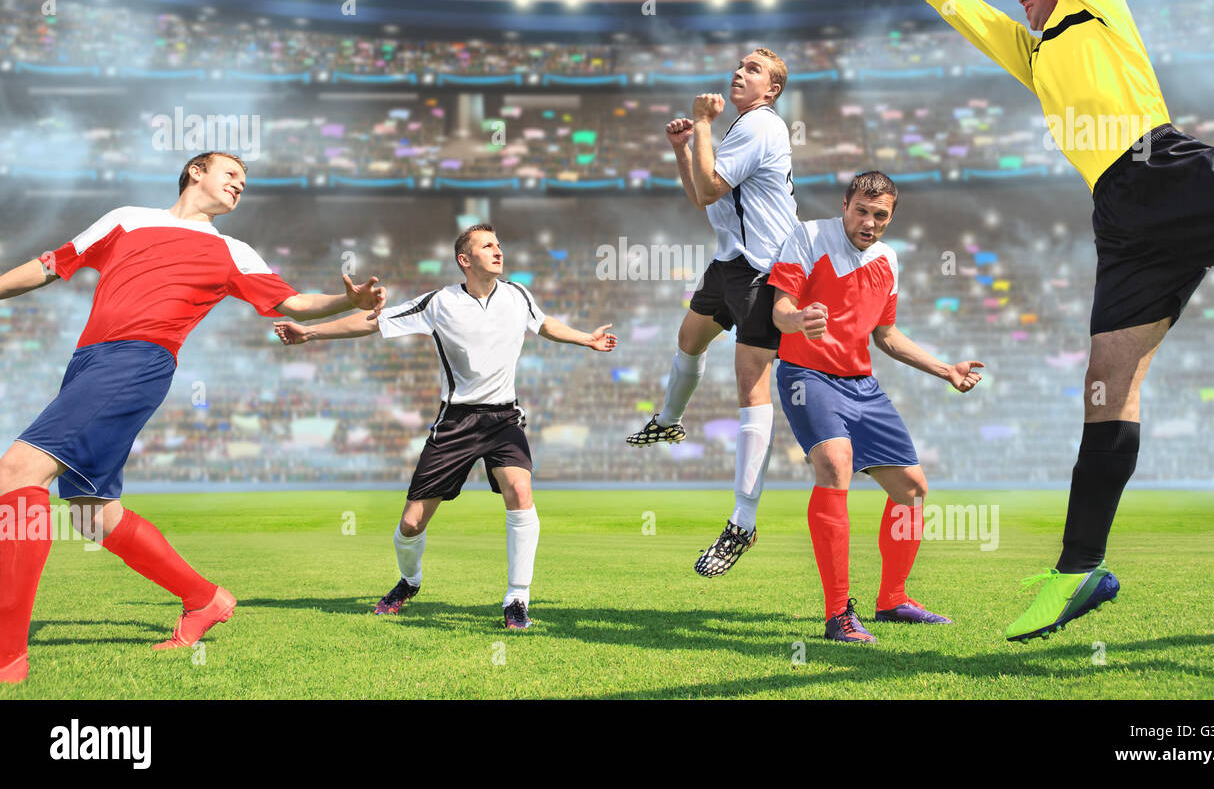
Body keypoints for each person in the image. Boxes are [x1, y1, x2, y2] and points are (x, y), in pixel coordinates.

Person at [865, 0, 1214, 642]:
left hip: (1163, 168)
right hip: (1122, 222)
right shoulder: (1039, 56)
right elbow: (974, 20)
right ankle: (1078, 573)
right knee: (1107, 385)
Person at [0, 151, 388, 684]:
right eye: (232, 174)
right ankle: (205, 599)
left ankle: (7, 661)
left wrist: (347, 302)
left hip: (139, 360)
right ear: (196, 173)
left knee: (17, 473)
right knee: (90, 511)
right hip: (89, 360)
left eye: (245, 183)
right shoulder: (125, 219)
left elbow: (293, 303)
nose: (239, 186)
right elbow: (49, 267)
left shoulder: (233, 252)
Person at [275, 223, 616, 630]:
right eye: (487, 245)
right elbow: (373, 323)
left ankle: (517, 598)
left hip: (504, 417)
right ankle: (409, 581)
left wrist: (585, 338)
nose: (498, 250)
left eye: (498, 244)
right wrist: (308, 332)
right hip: (457, 421)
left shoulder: (517, 295)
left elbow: (543, 324)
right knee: (412, 523)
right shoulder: (438, 303)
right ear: (465, 259)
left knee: (521, 491)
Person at [770, 170, 983, 643]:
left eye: (880, 215)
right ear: (845, 204)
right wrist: (799, 318)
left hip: (862, 385)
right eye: (861, 211)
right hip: (807, 376)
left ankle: (893, 599)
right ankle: (838, 614)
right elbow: (779, 310)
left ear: (890, 218)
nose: (869, 222)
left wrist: (944, 368)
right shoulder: (808, 236)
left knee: (913, 490)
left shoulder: (887, 259)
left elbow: (886, 336)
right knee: (835, 463)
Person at [625, 49, 799, 578]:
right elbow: (703, 198)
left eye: (753, 69)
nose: (740, 72)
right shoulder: (738, 133)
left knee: (751, 384)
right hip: (731, 263)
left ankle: (742, 521)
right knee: (689, 339)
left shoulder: (760, 126)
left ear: (770, 90)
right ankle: (669, 422)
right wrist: (685, 146)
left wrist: (701, 122)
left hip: (766, 269)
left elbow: (709, 187)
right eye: (740, 65)